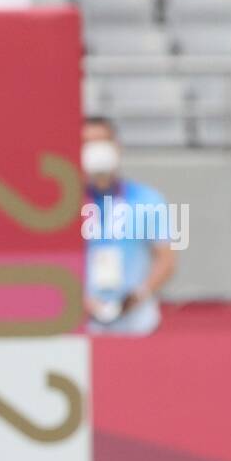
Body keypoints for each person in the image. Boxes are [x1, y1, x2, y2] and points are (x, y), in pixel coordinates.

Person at [81, 116, 177, 335]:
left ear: (116, 146)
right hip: (83, 325)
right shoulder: (65, 207)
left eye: (101, 142)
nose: (95, 150)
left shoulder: (148, 199)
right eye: (87, 144)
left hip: (137, 324)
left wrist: (138, 295)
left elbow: (167, 259)